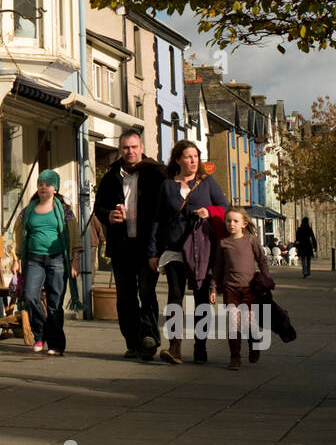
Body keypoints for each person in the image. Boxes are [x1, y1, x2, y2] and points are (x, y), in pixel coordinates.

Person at [149, 140, 229, 364]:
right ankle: (174, 346)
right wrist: (152, 252)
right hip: (174, 248)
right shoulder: (167, 186)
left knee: (202, 299)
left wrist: (209, 211)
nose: (193, 161)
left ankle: (200, 346)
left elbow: (225, 208)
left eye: (196, 156)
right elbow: (157, 219)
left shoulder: (207, 183)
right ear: (178, 160)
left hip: (201, 249)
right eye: (188, 157)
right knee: (175, 297)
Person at [92, 128, 168, 360]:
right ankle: (133, 342)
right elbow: (99, 207)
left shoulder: (156, 173)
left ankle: (149, 340)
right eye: (126, 148)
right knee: (125, 297)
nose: (130, 151)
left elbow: (166, 207)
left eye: (134, 147)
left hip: (148, 247)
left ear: (141, 148)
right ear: (120, 150)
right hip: (121, 246)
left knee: (147, 293)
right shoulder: (111, 175)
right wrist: (108, 216)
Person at [10, 170, 82, 355]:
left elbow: (74, 234)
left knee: (54, 303)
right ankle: (41, 334)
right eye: (41, 184)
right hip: (33, 259)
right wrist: (16, 259)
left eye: (47, 184)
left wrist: (76, 259)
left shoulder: (65, 211)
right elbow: (17, 234)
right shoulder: (27, 211)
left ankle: (56, 344)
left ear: (55, 189)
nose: (43, 187)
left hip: (57, 258)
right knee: (29, 296)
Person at [214, 207, 271, 370]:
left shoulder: (251, 240)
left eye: (235, 221)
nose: (231, 224)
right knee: (234, 322)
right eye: (228, 221)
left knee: (248, 321)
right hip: (230, 288)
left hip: (249, 288)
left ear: (244, 224)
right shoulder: (223, 243)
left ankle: (254, 342)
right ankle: (235, 356)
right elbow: (217, 267)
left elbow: (262, 260)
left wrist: (265, 280)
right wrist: (213, 288)